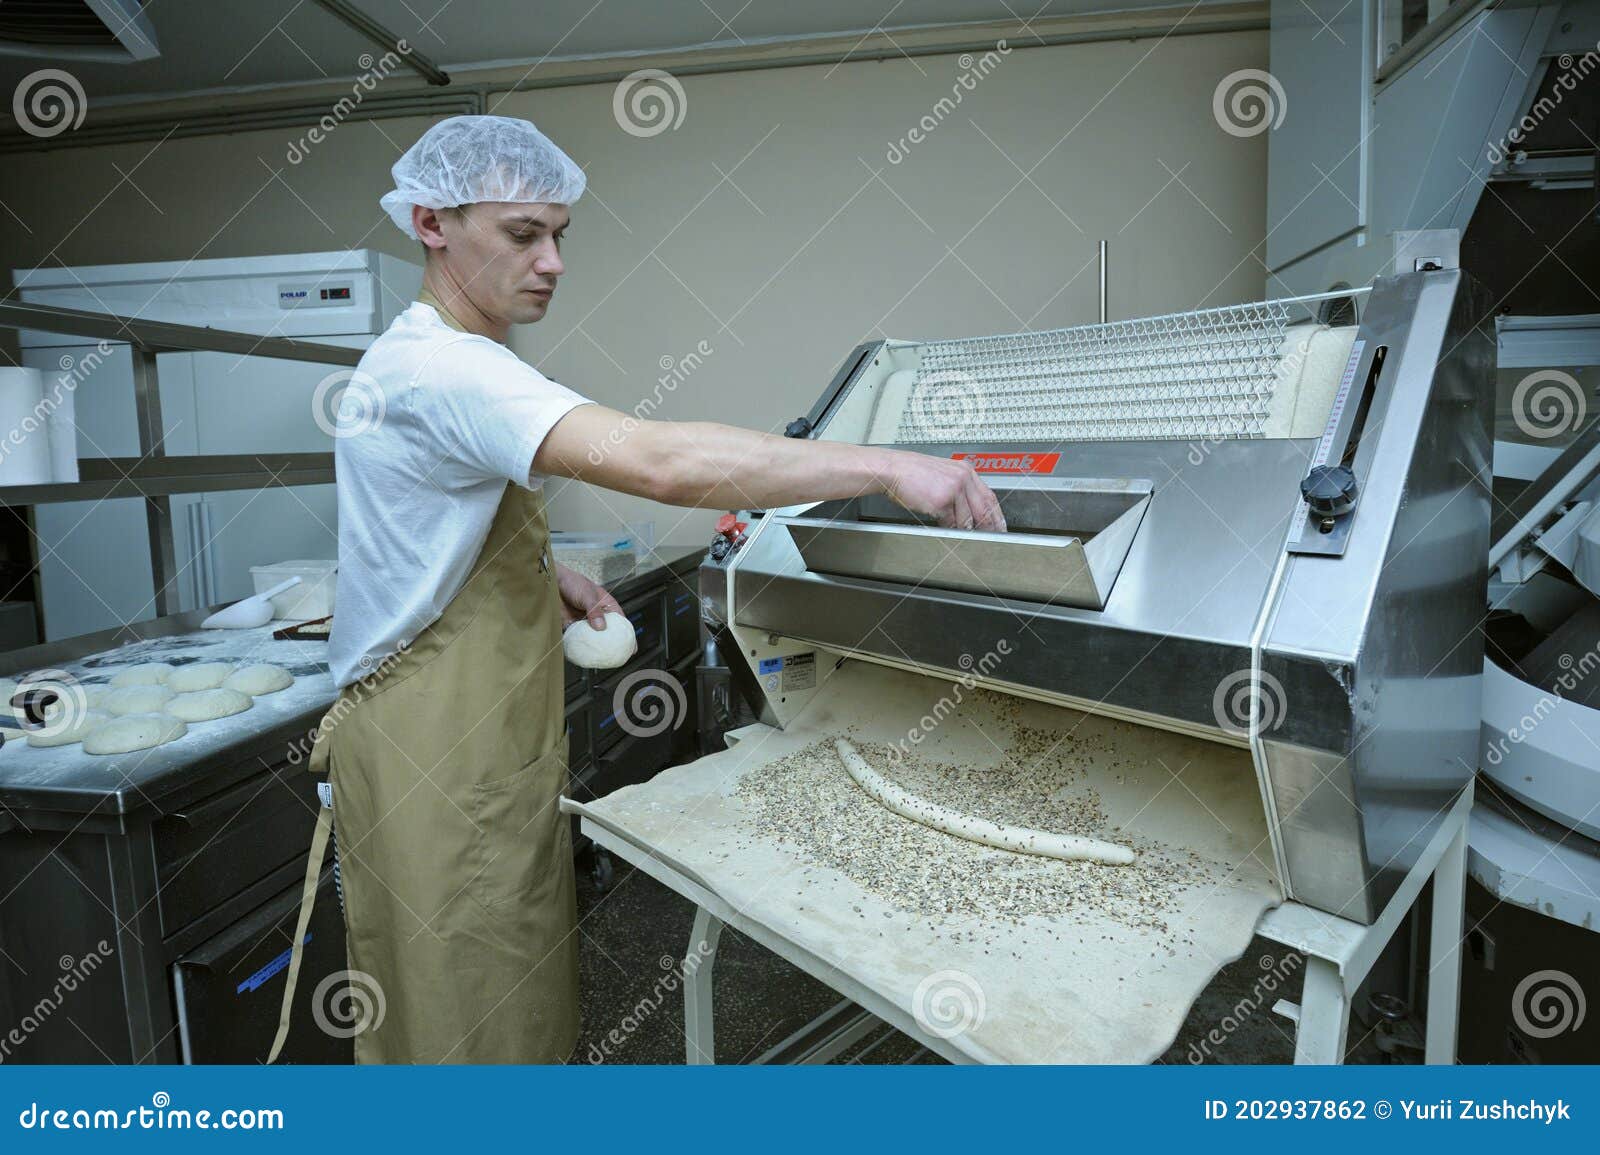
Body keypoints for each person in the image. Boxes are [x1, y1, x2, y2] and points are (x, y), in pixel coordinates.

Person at [269, 114, 1004, 1064]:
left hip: (470, 735)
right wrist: (885, 466)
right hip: (434, 748)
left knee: (496, 978)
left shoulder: (449, 355)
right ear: (430, 223)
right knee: (467, 1011)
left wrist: (540, 577)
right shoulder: (443, 368)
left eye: (559, 235)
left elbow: (417, 534)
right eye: (523, 233)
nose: (553, 261)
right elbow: (657, 462)